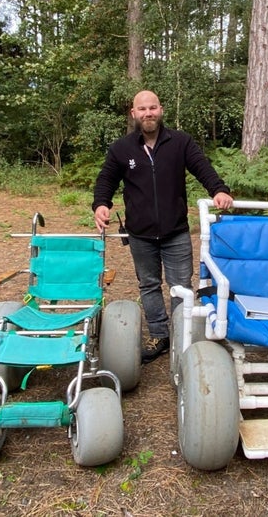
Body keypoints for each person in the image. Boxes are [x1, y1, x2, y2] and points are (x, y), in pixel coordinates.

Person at [92, 90, 233, 363]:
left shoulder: (180, 142)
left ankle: (183, 335)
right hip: (140, 234)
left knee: (181, 286)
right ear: (134, 114)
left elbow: (202, 167)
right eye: (142, 109)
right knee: (149, 285)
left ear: (161, 110)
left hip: (176, 232)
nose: (148, 113)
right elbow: (106, 179)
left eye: (153, 107)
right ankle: (160, 335)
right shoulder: (122, 148)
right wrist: (101, 204)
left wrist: (219, 189)